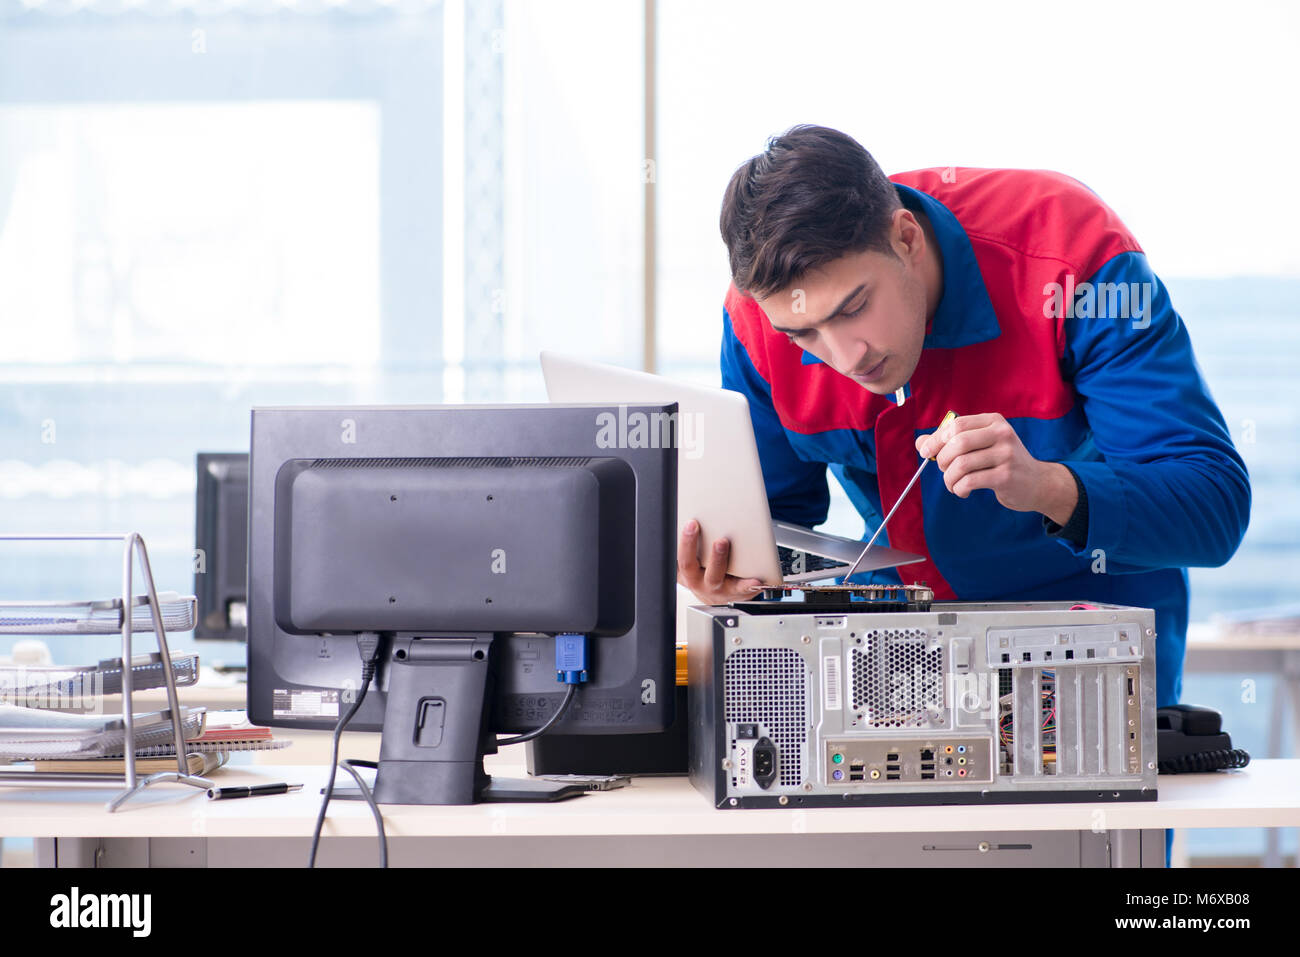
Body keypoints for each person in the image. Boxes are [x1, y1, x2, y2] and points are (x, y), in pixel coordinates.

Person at [676, 125, 1250, 710]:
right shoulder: (756, 324)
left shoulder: (1071, 256)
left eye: (854, 308)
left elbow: (1214, 510)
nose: (845, 357)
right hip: (896, 666)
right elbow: (773, 537)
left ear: (905, 239)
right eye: (804, 333)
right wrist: (735, 580)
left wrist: (1048, 486)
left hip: (1094, 653)